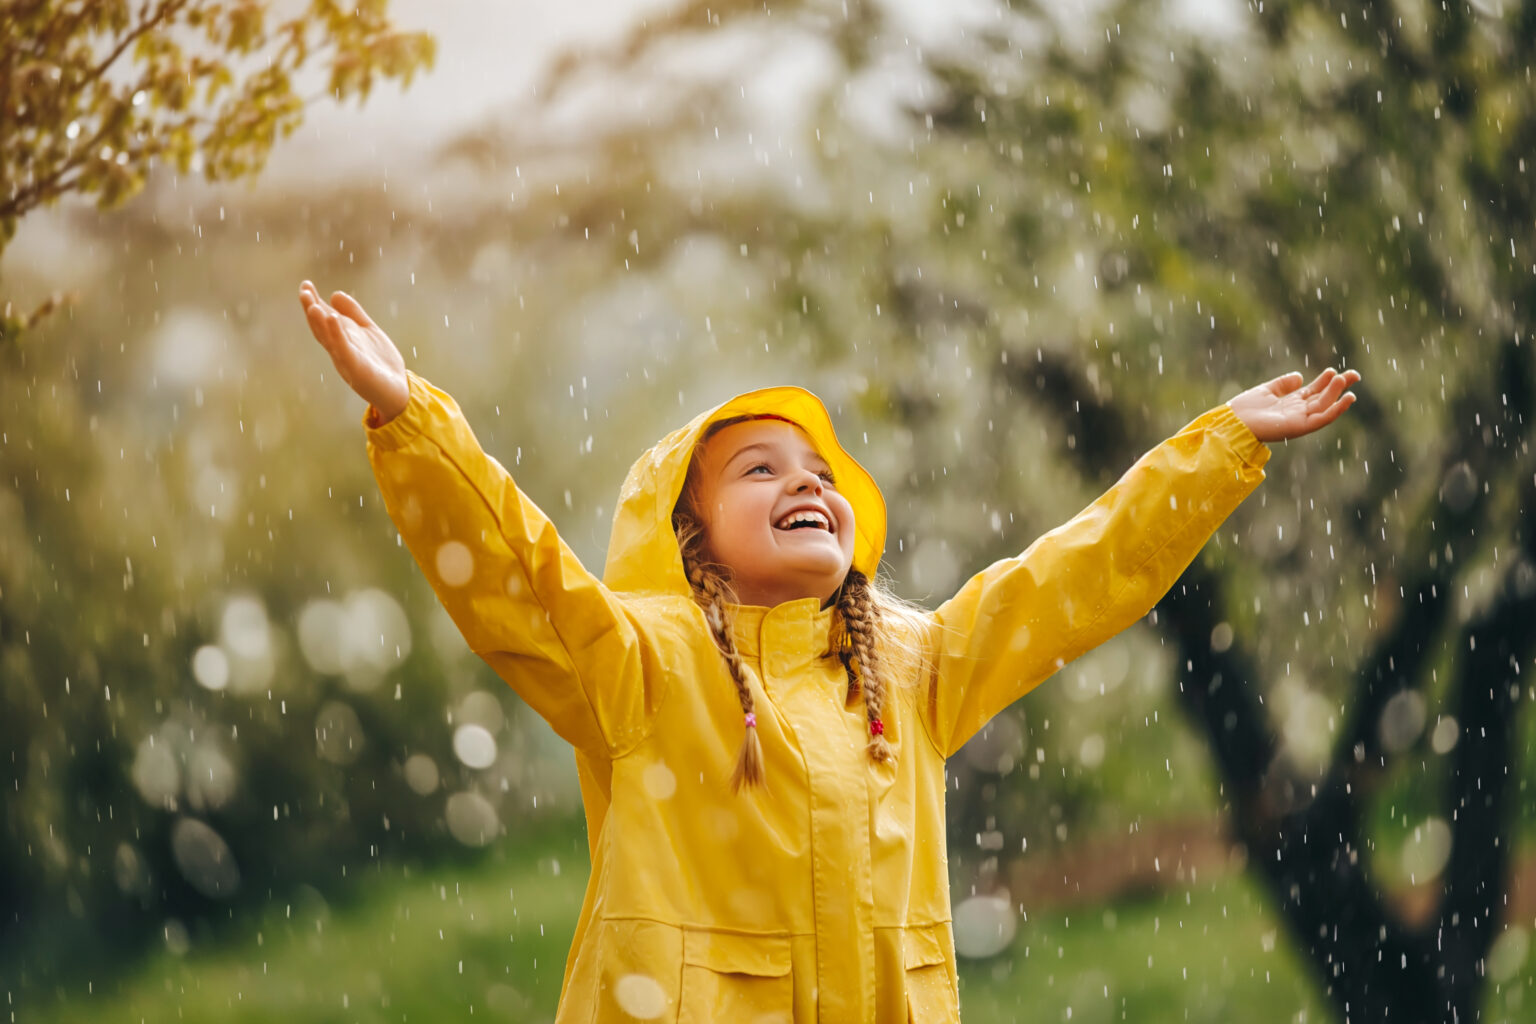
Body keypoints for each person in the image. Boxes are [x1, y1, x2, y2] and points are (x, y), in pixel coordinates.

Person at [297, 280, 1360, 1023]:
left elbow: (1077, 575)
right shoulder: (643, 661)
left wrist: (1220, 446)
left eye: (819, 472)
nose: (806, 482)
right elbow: (516, 571)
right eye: (759, 469)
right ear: (690, 535)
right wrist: (413, 416)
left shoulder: (913, 665)